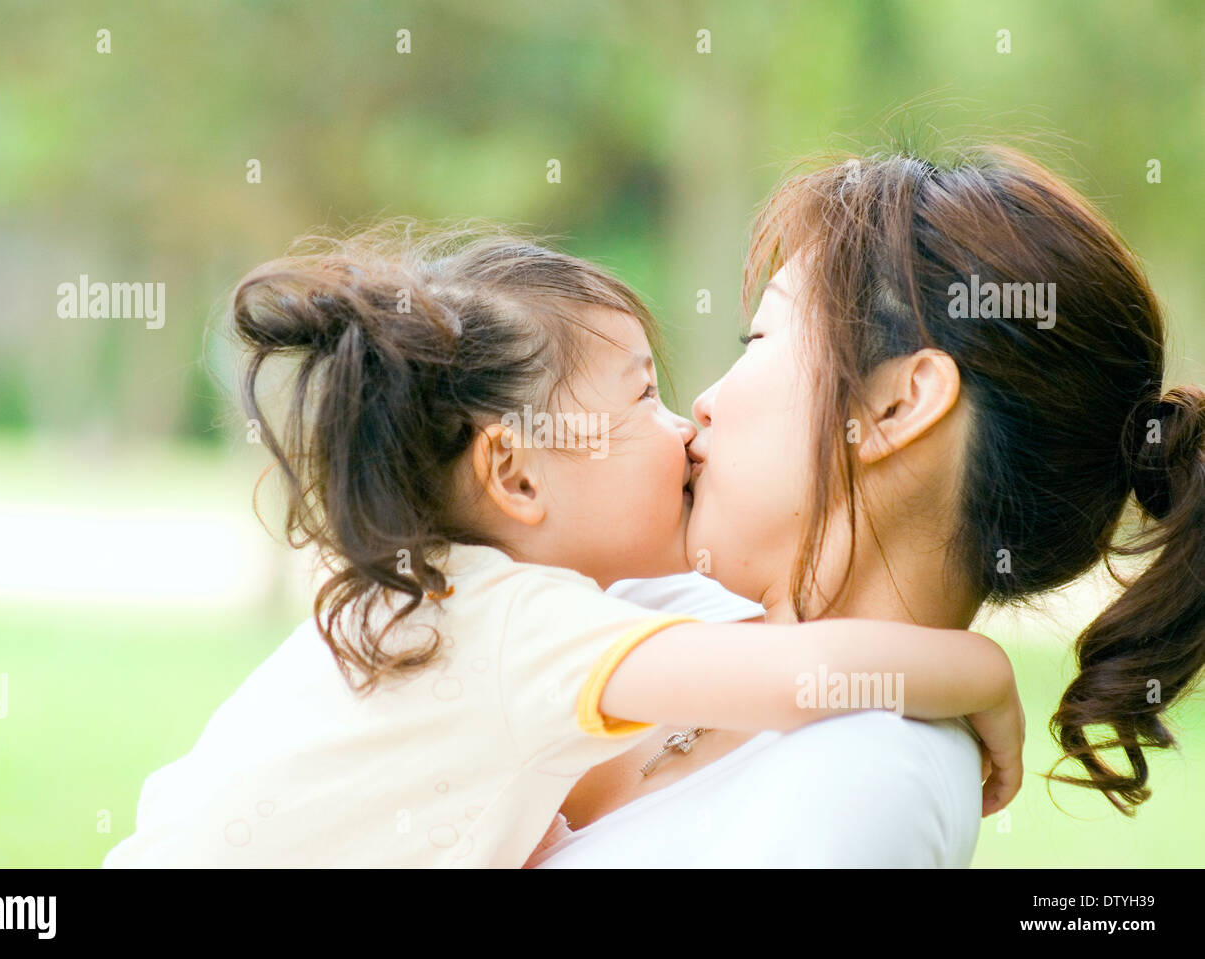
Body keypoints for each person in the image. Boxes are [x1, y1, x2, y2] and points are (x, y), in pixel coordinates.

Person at [102, 223, 1021, 868]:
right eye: (640, 398)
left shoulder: (426, 598)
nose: (686, 421)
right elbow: (794, 678)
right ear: (519, 476)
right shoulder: (523, 623)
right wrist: (980, 668)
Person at [532, 145, 1205, 868]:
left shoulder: (873, 783)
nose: (704, 402)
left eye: (758, 339)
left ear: (896, 405)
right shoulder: (658, 603)